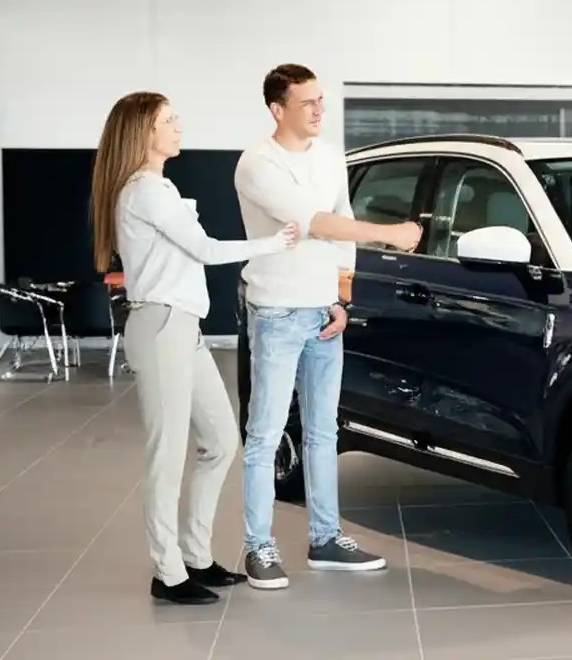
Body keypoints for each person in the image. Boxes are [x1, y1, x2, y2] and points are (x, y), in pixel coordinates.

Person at [89, 91, 299, 605]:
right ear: (144, 133)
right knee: (166, 453)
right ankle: (168, 572)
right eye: (169, 120)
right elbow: (204, 250)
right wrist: (274, 243)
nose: (179, 127)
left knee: (222, 440)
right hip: (161, 327)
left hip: (184, 328)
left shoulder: (158, 188)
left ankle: (196, 556)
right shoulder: (146, 191)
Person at [233, 64, 422, 590]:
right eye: (307, 103)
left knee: (323, 431)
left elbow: (340, 229)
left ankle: (325, 539)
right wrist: (390, 233)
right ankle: (258, 546)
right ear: (278, 109)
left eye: (321, 100)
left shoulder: (330, 154)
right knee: (265, 435)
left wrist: (341, 297)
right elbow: (315, 222)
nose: (319, 110)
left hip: (321, 311)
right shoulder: (256, 165)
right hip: (276, 312)